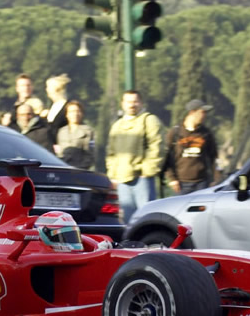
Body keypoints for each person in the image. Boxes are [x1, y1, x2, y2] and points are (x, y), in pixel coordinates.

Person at [106, 90, 164, 223]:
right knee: (128, 221)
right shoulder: (117, 125)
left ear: (141, 103)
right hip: (122, 180)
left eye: (135, 101)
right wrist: (113, 175)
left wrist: (147, 171)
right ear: (122, 104)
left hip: (142, 178)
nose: (132, 105)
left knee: (146, 218)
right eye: (128, 102)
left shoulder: (149, 120)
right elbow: (111, 152)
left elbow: (157, 147)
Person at [162, 99, 219, 195]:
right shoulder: (175, 133)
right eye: (202, 112)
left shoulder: (206, 133)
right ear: (192, 112)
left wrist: (215, 178)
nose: (205, 115)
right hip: (181, 185)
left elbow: (213, 157)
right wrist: (172, 179)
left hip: (202, 183)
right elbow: (166, 157)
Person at [55, 100, 95, 169]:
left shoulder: (88, 131)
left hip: (80, 169)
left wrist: (82, 167)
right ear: (67, 114)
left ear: (82, 114)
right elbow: (59, 152)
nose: (75, 114)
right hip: (63, 168)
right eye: (72, 111)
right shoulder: (62, 131)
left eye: (78, 111)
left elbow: (90, 154)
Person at [44, 74, 71, 145]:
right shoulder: (52, 107)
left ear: (56, 89)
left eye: (48, 87)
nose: (46, 89)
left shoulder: (67, 107)